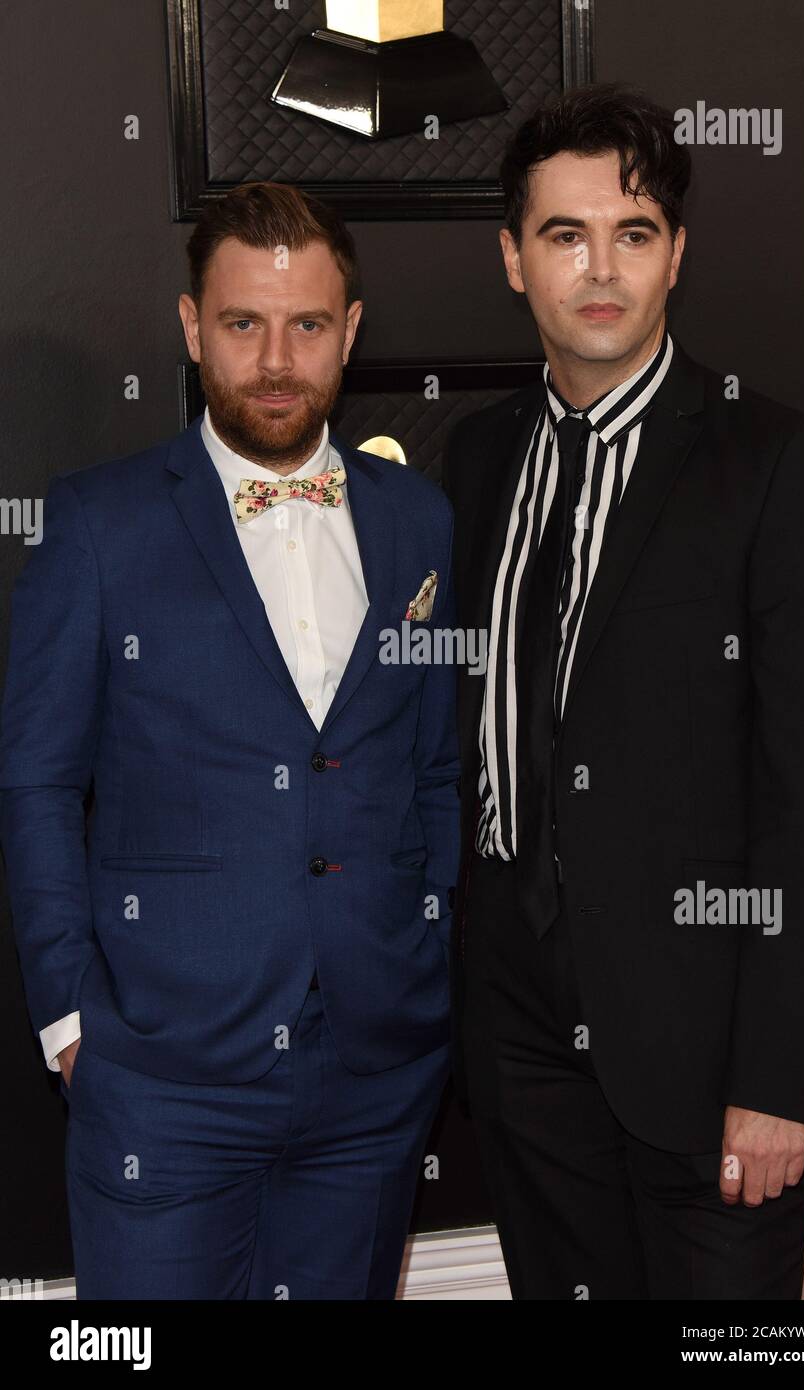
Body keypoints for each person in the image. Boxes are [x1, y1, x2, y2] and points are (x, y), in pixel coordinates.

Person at [441, 83, 804, 1300]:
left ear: (675, 253)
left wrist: (783, 1075)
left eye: (631, 234)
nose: (599, 269)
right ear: (513, 258)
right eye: (564, 235)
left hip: (710, 1051)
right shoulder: (474, 460)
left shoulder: (778, 464)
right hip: (518, 1043)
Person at [0, 181, 459, 1300]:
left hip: (370, 1072)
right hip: (160, 1078)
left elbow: (436, 768)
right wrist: (71, 1019)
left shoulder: (417, 519)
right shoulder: (100, 521)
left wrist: (420, 961)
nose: (273, 359)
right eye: (243, 323)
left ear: (348, 331)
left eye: (306, 325)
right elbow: (38, 781)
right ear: (192, 325)